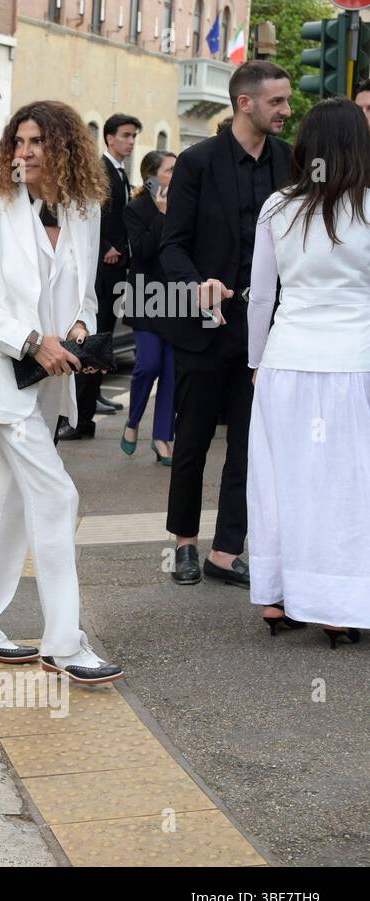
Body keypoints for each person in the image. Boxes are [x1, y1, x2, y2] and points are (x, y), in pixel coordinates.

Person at [0, 100, 124, 685]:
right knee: (57, 498)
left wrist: (77, 328)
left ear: (64, 148)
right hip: (3, 376)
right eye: (16, 142)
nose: (22, 153)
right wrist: (31, 340)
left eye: (35, 142)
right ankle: (64, 643)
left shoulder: (84, 208)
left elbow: (88, 297)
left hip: (51, 380)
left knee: (13, 501)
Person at [159, 60, 293, 587]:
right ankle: (185, 543)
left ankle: (225, 550)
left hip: (266, 331)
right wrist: (196, 286)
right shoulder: (197, 163)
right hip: (204, 326)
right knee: (190, 439)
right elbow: (172, 247)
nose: (285, 111)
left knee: (248, 443)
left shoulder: (290, 163)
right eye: (277, 102)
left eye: (285, 101)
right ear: (246, 103)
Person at [246, 97, 370, 648]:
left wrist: (255, 362)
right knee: (345, 487)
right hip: (354, 363)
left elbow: (261, 298)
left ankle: (276, 597)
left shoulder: (278, 207)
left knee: (281, 482)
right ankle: (339, 607)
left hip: (287, 360)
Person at [61, 112, 140, 440]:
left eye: (134, 136)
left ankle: (87, 410)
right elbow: (96, 218)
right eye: (125, 135)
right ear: (108, 138)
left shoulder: (121, 173)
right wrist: (108, 245)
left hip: (115, 270)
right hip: (101, 269)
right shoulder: (101, 170)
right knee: (90, 339)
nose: (131, 141)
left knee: (100, 339)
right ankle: (78, 417)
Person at [120, 149, 177, 465]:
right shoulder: (136, 208)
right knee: (148, 365)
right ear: (152, 177)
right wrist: (161, 214)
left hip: (177, 298)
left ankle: (162, 437)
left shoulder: (185, 203)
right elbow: (141, 251)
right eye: (170, 170)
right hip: (146, 296)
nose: (176, 175)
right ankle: (133, 421)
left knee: (172, 372)